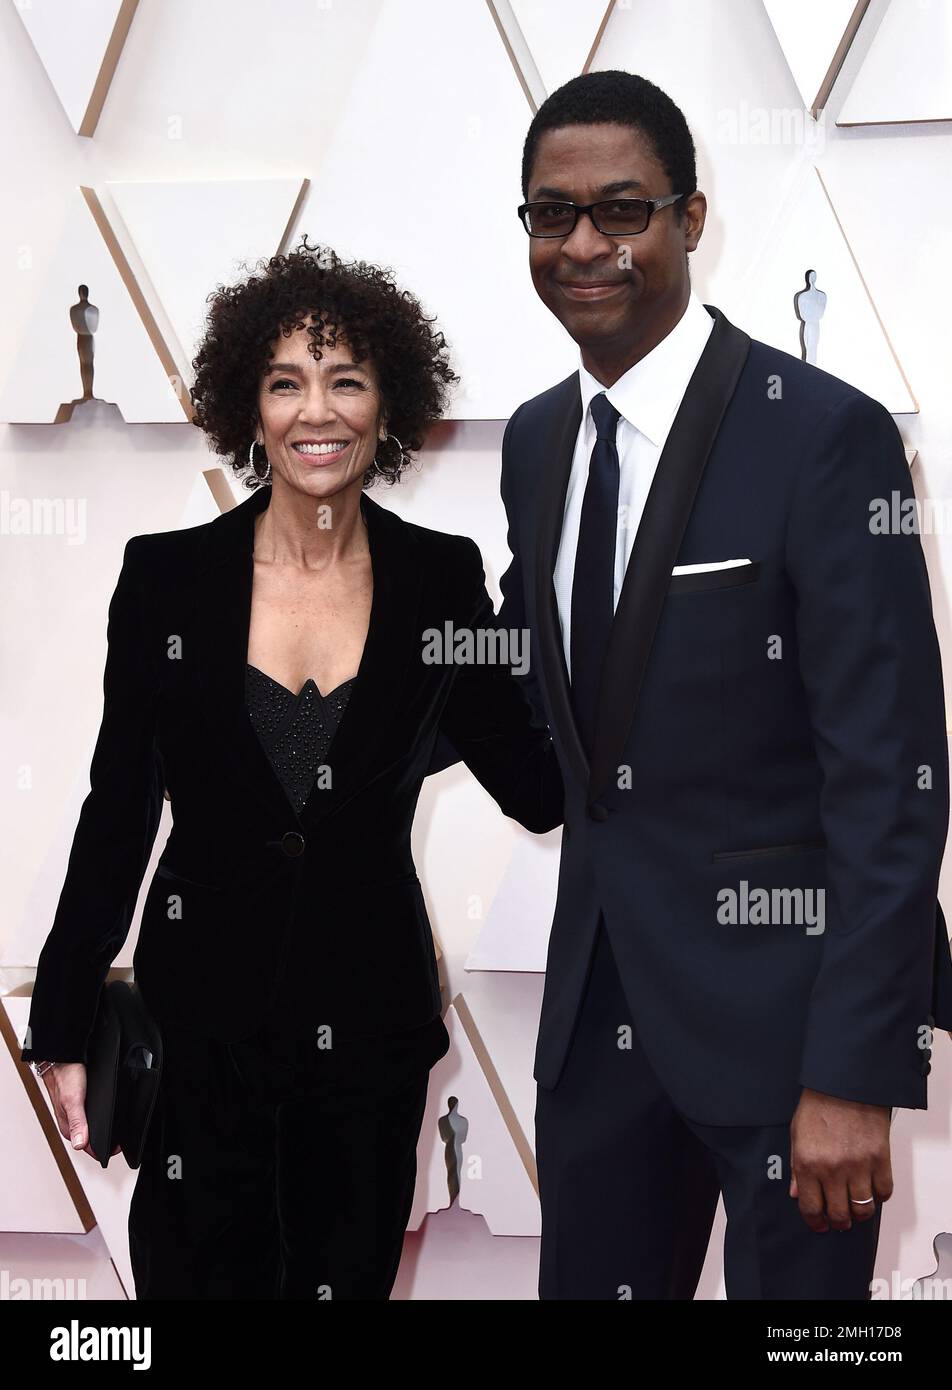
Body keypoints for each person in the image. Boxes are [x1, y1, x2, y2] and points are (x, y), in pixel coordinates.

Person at [21, 238, 563, 1299]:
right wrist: (64, 1023)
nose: (317, 411)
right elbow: (116, 810)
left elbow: (536, 789)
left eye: (346, 380)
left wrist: (551, 595)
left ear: (385, 402)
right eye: (286, 382)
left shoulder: (438, 580)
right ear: (248, 405)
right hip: (196, 1041)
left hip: (368, 1038)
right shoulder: (167, 578)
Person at [491, 69, 952, 1299]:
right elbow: (540, 701)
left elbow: (890, 777)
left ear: (690, 220)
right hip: (595, 1035)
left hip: (792, 1042)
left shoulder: (824, 436)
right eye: (551, 214)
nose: (583, 244)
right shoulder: (535, 440)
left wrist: (857, 1068)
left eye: (622, 210)